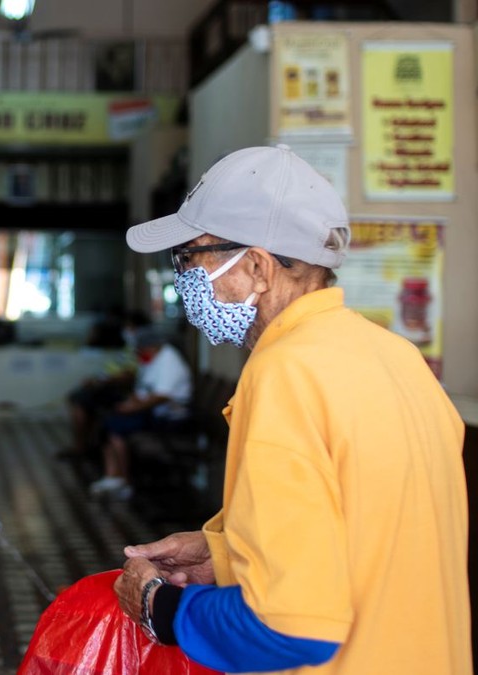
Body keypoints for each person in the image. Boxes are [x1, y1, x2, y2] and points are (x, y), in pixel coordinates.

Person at [111, 145, 469, 673]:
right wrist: (226, 554)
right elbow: (364, 537)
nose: (184, 278)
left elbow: (290, 627)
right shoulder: (397, 358)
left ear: (256, 266)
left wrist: (159, 608)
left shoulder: (285, 374)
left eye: (190, 258)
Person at [87, 326, 191, 500]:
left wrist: (133, 408)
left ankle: (122, 480)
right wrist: (131, 402)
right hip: (152, 412)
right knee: (110, 423)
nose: (140, 354)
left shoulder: (169, 361)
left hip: (170, 417)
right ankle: (114, 476)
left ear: (153, 346)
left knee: (116, 426)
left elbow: (161, 396)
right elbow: (144, 387)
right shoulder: (152, 359)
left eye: (142, 349)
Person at [60, 310, 151, 460]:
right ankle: (85, 446)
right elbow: (117, 369)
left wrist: (104, 381)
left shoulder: (144, 348)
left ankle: (82, 447)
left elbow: (130, 375)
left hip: (123, 390)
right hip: (110, 385)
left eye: (129, 327)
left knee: (81, 400)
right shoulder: (130, 347)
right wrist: (98, 379)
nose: (126, 331)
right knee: (79, 398)